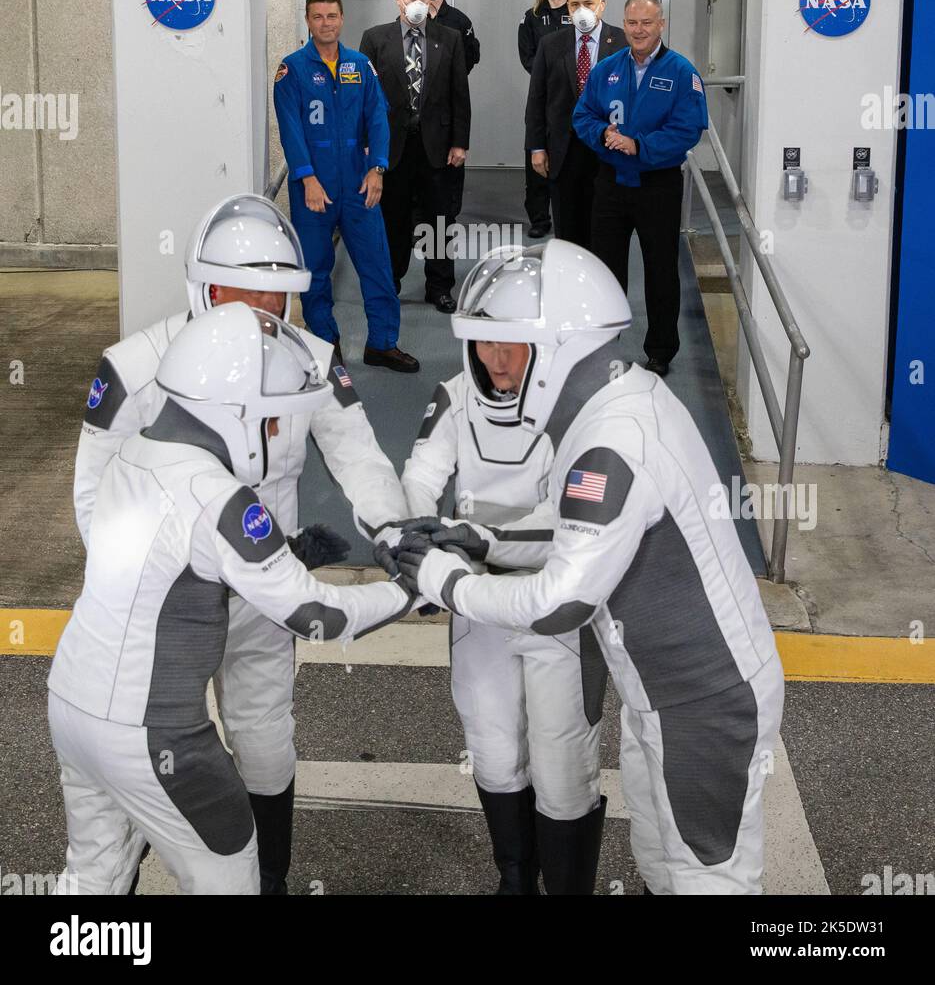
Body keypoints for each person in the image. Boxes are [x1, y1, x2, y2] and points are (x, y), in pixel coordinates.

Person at [390, 241, 785, 896]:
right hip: (663, 696)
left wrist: (448, 582)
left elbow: (559, 604)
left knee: (707, 879)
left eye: (509, 344)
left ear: (557, 348)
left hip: (698, 703)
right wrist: (479, 538)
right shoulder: (625, 400)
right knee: (662, 865)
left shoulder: (607, 445)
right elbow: (584, 537)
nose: (493, 363)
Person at [74, 193, 410, 893]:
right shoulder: (134, 367)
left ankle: (272, 880)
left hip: (267, 591)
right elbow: (91, 498)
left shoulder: (311, 359)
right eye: (248, 294)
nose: (266, 314)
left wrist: (399, 539)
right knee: (139, 760)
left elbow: (360, 458)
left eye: (281, 297)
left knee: (263, 736)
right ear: (205, 288)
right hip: (161, 609)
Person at [395, 343, 608, 895]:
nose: (499, 362)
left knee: (564, 771)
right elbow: (419, 477)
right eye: (485, 345)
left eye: (511, 347)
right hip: (476, 604)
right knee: (492, 756)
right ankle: (515, 879)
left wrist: (478, 538)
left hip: (557, 610)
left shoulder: (574, 404)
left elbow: (568, 522)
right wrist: (423, 533)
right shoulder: (455, 394)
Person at [273, 0, 418, 373]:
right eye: (318, 17)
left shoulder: (360, 66)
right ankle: (325, 342)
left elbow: (378, 119)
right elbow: (291, 132)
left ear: (342, 19)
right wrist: (306, 179)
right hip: (314, 192)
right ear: (307, 21)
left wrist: (378, 168)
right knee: (317, 271)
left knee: (377, 267)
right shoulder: (292, 71)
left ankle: (383, 344)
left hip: (358, 187)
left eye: (332, 16)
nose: (326, 24)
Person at [573, 0, 707, 377]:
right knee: (607, 270)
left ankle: (661, 350)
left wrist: (639, 145)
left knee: (661, 270)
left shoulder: (682, 72)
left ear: (661, 24)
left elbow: (688, 128)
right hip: (611, 185)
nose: (638, 30)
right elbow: (582, 114)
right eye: (632, 23)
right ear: (624, 24)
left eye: (646, 23)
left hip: (657, 186)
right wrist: (603, 133)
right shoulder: (607, 69)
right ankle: (603, 345)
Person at [359, 0, 471, 314]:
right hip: (391, 147)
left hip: (436, 145)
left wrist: (459, 143)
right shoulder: (375, 39)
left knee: (439, 219)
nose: (418, 5)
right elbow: (364, 98)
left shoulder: (449, 38)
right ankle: (391, 280)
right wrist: (366, 143)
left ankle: (439, 286)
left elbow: (459, 94)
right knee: (393, 218)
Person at [525, 0, 626, 248]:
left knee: (605, 231)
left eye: (588, 4)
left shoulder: (622, 43)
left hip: (608, 150)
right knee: (568, 232)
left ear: (601, 6)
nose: (582, 10)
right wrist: (536, 147)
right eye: (575, 4)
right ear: (568, 8)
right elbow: (537, 100)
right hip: (563, 150)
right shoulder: (550, 44)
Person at [419, 0, 479, 219]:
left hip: (446, 108)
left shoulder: (458, 21)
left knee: (449, 172)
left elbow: (470, 58)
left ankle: (447, 220)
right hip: (416, 110)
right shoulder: (410, 17)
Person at [517, 0, 573, 238]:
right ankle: (539, 218)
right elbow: (527, 55)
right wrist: (546, 76)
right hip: (542, 95)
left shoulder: (577, 12)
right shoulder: (532, 17)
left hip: (573, 96)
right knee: (536, 156)